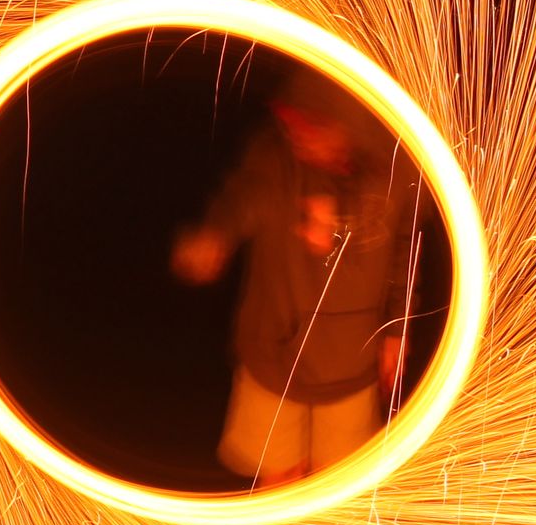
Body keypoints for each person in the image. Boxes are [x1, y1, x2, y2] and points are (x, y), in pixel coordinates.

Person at [170, 66, 422, 487]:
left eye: (313, 127)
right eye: (291, 123)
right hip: (273, 359)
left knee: (335, 491)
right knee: (278, 489)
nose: (298, 135)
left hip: (350, 367)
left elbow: (403, 251)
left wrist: (398, 328)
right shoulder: (274, 159)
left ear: (350, 124)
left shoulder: (395, 173)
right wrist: (216, 235)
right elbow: (241, 198)